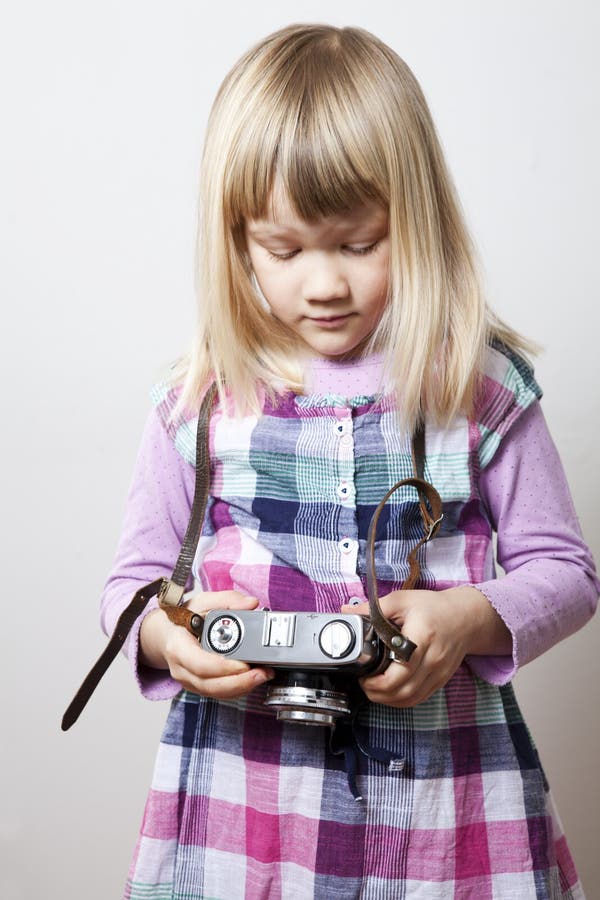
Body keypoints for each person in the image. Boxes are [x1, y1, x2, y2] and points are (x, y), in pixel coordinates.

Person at [99, 23, 599, 900]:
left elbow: (567, 571)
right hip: (243, 800)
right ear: (235, 239)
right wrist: (169, 639)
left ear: (417, 217)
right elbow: (133, 582)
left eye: (359, 243)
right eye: (282, 250)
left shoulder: (474, 384)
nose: (323, 284)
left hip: (448, 797)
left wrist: (466, 621)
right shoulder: (202, 395)